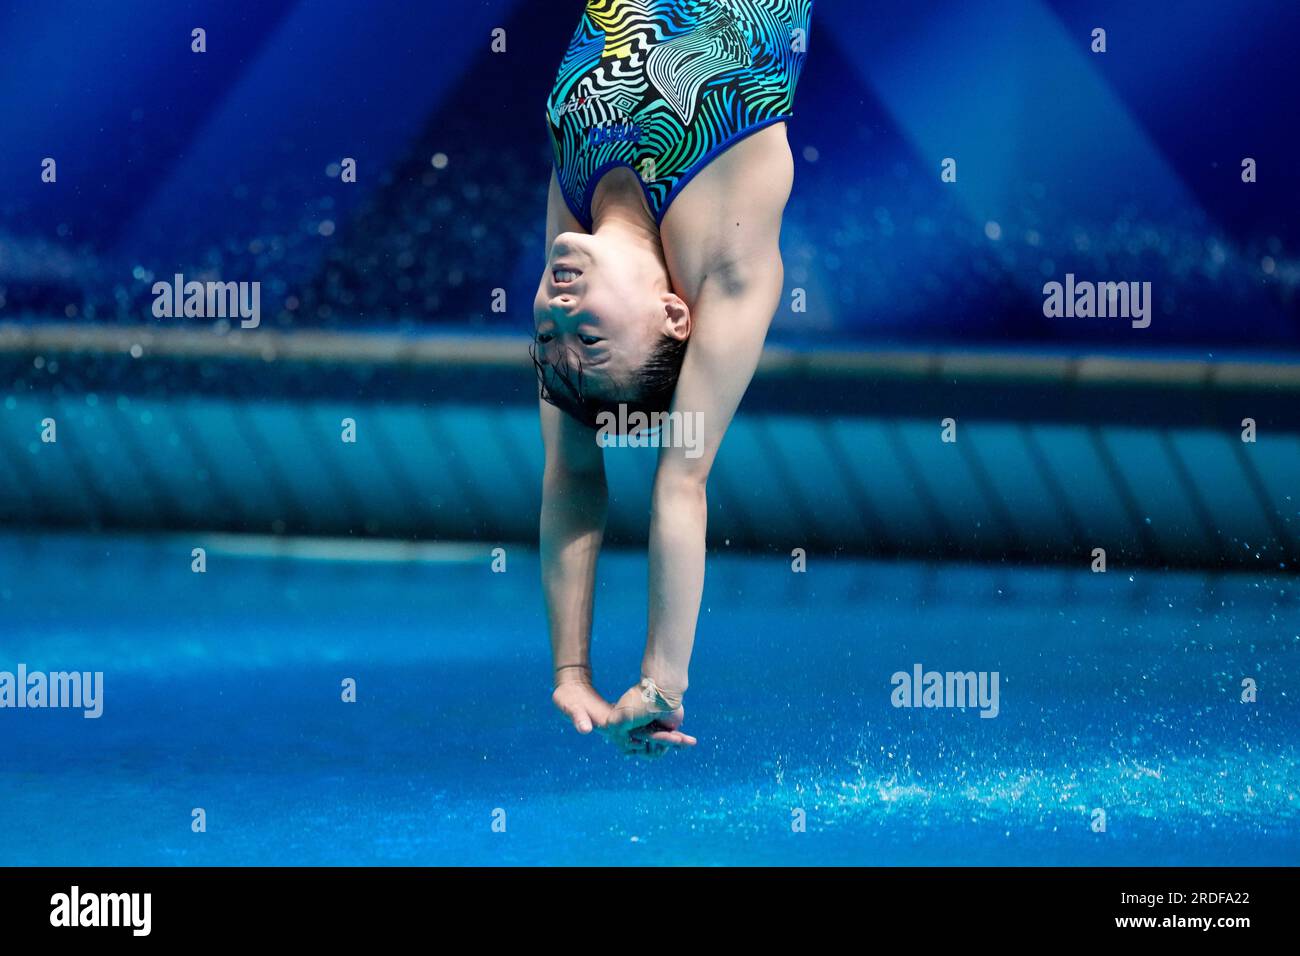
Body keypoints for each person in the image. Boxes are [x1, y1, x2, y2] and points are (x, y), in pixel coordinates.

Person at [533, 0, 812, 757]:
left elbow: (569, 476)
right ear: (672, 316)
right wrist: (662, 684)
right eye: (586, 332)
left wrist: (571, 668)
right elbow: (680, 481)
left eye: (547, 333)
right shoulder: (726, 263)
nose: (558, 311)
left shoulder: (584, 206)